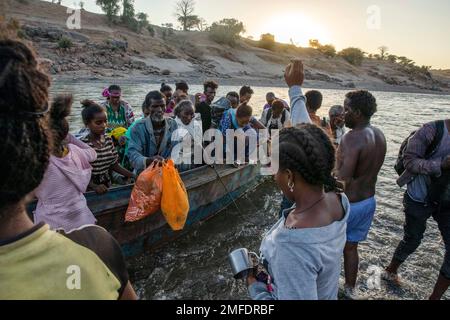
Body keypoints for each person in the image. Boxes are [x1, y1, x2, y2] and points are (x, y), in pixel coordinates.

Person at [0, 39, 136, 300]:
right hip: (77, 218)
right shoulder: (100, 245)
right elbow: (91, 156)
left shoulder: (96, 140)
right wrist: (71, 140)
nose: (103, 125)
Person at [246, 125, 349, 300]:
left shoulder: (291, 245)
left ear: (289, 176)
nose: (273, 175)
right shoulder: (338, 200)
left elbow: (296, 255)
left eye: (274, 167)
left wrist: (255, 287)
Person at [385, 119, 450, 300]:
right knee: (413, 239)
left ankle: (434, 298)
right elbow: (409, 162)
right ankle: (391, 270)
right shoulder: (431, 131)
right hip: (419, 196)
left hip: (447, 202)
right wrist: (441, 165)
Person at [336, 90, 387, 299]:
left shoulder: (351, 138)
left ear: (357, 113)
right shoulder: (379, 134)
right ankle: (349, 289)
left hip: (349, 205)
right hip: (368, 202)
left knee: (329, 247)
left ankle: (324, 286)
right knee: (350, 248)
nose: (343, 114)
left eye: (346, 109)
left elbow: (342, 182)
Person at [34, 95, 97, 232]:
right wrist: (70, 138)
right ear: (65, 134)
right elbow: (93, 153)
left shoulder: (39, 160)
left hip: (51, 222)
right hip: (80, 216)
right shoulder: (76, 152)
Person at [80, 100, 135, 194]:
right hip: (88, 188)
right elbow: (78, 173)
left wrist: (134, 176)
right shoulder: (83, 145)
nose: (104, 126)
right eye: (98, 123)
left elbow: (114, 165)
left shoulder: (108, 140)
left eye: (105, 121)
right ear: (87, 124)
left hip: (106, 184)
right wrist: (94, 186)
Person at [128, 91, 178, 174]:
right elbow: (133, 155)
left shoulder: (173, 124)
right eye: (155, 106)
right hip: (144, 173)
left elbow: (177, 148)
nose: (159, 110)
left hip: (167, 171)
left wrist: (170, 160)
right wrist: (148, 160)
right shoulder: (138, 127)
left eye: (162, 106)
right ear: (147, 108)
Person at [172, 100, 203, 171]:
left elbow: (199, 144)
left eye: (192, 114)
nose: (189, 117)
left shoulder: (196, 125)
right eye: (186, 114)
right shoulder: (173, 125)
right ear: (179, 113)